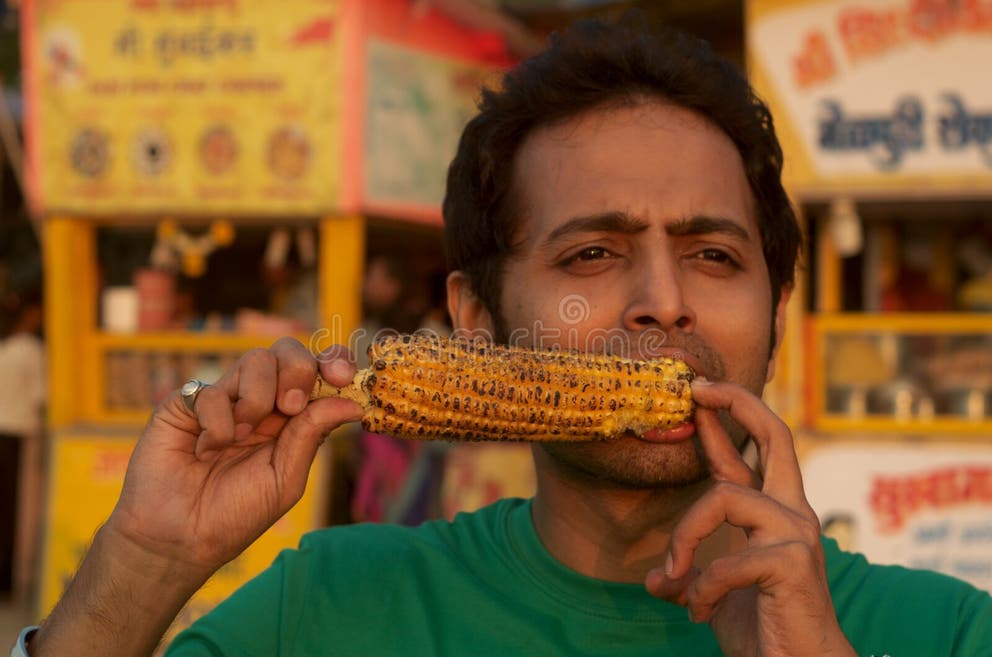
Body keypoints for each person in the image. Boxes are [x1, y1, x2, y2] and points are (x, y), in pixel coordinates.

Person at [18, 16, 992, 657]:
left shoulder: (939, 630)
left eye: (712, 256)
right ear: (476, 319)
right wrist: (144, 561)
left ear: (775, 310)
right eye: (590, 257)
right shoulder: (325, 609)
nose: (662, 302)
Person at [0, 283, 45, 602]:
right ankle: (7, 581)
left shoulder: (5, 348)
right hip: (19, 435)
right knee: (14, 513)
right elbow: (44, 397)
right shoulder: (33, 351)